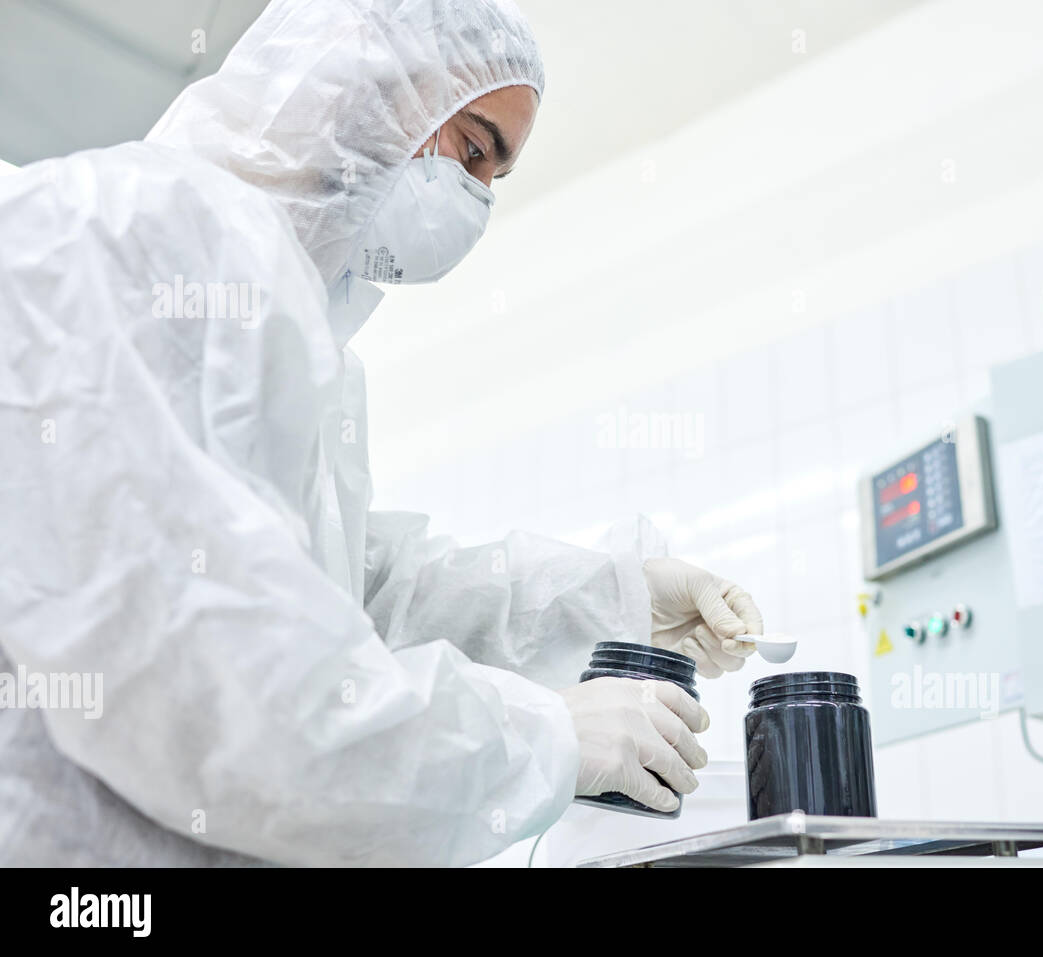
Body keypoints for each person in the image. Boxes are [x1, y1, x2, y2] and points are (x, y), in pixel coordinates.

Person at [0, 0, 761, 866]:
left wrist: (615, 597)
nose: (473, 201)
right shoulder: (134, 239)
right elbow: (231, 693)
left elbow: (362, 605)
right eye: (473, 149)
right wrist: (547, 740)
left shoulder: (296, 337)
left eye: (492, 182)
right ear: (358, 82)